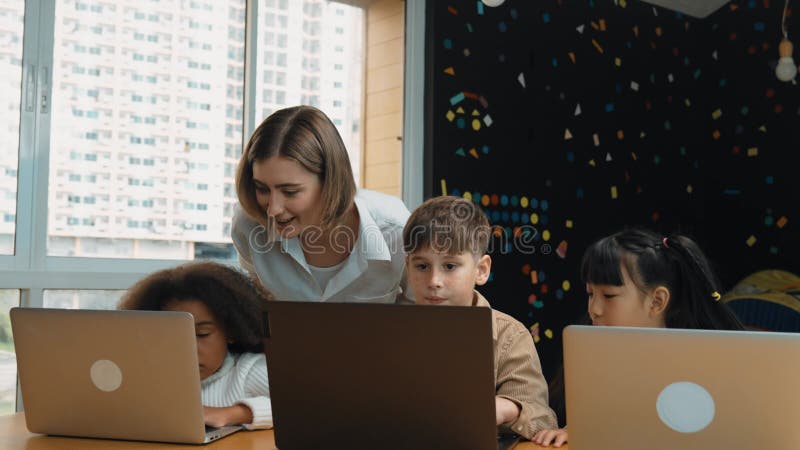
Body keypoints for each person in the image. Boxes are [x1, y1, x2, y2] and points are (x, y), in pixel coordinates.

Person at [533, 228, 744, 447]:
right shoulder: (591, 361)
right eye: (590, 294)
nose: (594, 309)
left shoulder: (705, 368)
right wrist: (576, 429)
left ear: (657, 301)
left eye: (609, 295)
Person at [402, 196, 558, 440]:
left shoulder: (510, 335)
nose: (434, 281)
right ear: (407, 266)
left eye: (450, 266)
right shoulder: (392, 331)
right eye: (422, 266)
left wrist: (508, 408)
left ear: (481, 270)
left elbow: (543, 419)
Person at [232, 105, 412, 304]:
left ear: (330, 183)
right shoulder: (247, 225)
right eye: (262, 189)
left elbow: (425, 314)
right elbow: (258, 307)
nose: (273, 209)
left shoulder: (397, 230)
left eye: (290, 192)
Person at [117, 261, 272, 430]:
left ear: (231, 331)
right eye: (173, 337)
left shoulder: (249, 371)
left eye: (202, 334)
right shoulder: (147, 377)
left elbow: (292, 405)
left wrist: (231, 413)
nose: (188, 350)